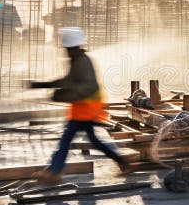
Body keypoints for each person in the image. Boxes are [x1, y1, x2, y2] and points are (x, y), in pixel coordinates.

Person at [30, 27, 126, 184]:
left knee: (65, 140)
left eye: (67, 49)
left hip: (87, 108)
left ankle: (54, 172)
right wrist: (43, 84)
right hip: (83, 108)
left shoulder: (82, 62)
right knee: (93, 141)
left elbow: (87, 87)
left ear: (73, 48)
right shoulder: (78, 60)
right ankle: (122, 161)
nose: (66, 52)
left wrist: (63, 95)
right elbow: (68, 81)